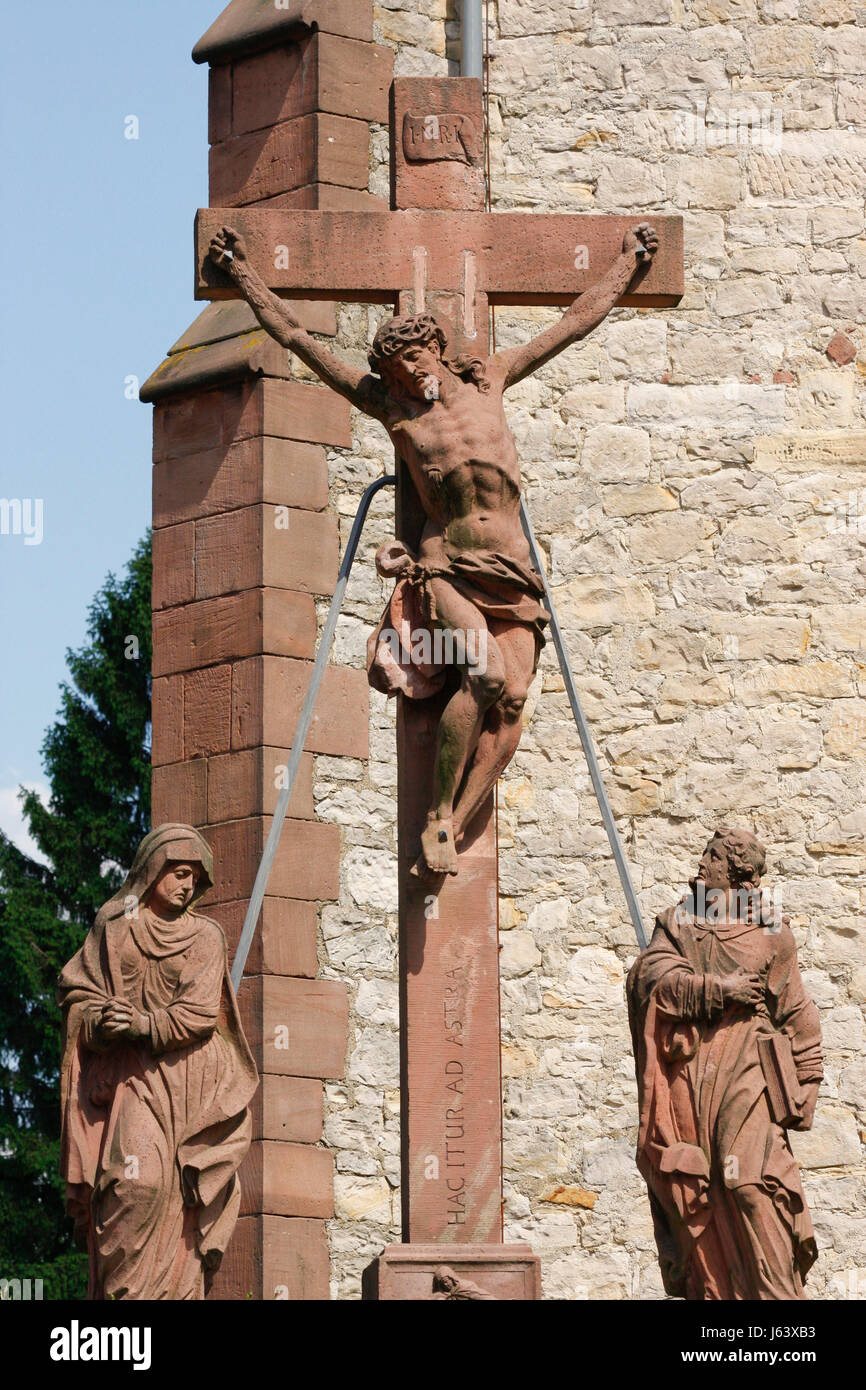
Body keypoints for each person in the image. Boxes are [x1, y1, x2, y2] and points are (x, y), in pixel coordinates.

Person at [209, 221, 658, 876]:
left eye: (415, 360)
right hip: (445, 563)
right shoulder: (394, 412)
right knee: (486, 675)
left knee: (512, 702)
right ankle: (436, 813)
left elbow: (572, 324)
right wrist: (244, 274)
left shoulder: (490, 380)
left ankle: (456, 819)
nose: (409, 373)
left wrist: (625, 267)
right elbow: (298, 339)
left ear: (438, 350)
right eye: (396, 369)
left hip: (512, 567)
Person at [58, 825, 258, 1300]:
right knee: (133, 1183)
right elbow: (78, 994)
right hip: (131, 1077)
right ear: (153, 868)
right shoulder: (115, 925)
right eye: (180, 873)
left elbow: (201, 1013)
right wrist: (99, 1022)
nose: (188, 886)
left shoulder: (205, 936)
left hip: (190, 1082)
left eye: (196, 879)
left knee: (180, 1199)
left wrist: (141, 1024)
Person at [627, 828, 823, 1300]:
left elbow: (796, 1009)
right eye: (704, 854)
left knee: (748, 1182)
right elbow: (649, 980)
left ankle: (779, 1297)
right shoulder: (679, 923)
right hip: (690, 1074)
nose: (702, 863)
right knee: (703, 1188)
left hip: (748, 1066)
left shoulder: (771, 933)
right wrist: (717, 990)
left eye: (713, 857)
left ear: (738, 873)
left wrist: (808, 1080)